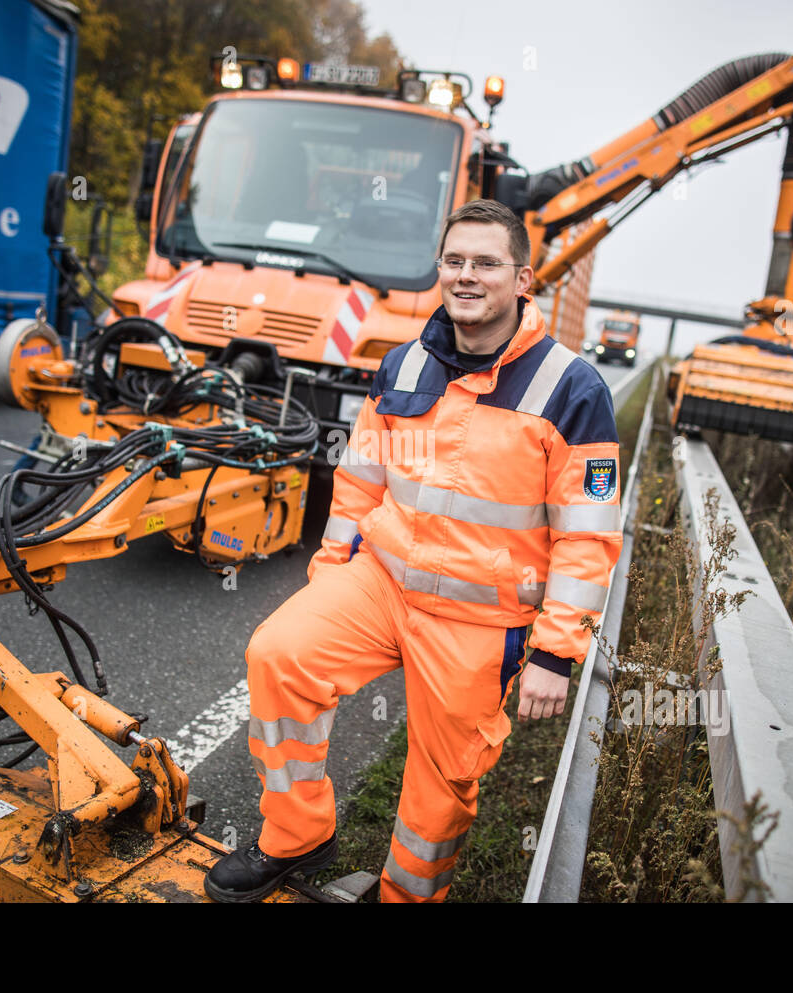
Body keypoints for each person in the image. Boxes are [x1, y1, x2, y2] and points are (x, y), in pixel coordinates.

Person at [204, 198, 623, 903]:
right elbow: (360, 480)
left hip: (481, 619)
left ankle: (407, 895)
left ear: (523, 280)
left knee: (442, 781)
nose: (466, 275)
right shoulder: (402, 365)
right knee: (280, 654)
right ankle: (296, 832)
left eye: (486, 263)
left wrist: (555, 652)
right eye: (454, 261)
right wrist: (328, 570)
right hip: (381, 582)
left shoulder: (572, 388)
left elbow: (588, 532)